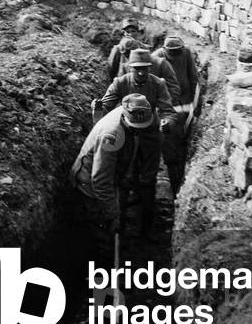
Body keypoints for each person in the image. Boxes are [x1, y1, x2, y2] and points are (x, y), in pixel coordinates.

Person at [101, 50, 176, 238]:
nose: (141, 73)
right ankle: (121, 225)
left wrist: (167, 123)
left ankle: (147, 228)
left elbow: (168, 110)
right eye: (137, 69)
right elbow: (106, 106)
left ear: (150, 68)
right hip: (125, 134)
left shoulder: (158, 84)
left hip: (150, 135)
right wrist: (98, 110)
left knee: (148, 180)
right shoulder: (120, 83)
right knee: (124, 178)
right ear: (130, 68)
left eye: (145, 69)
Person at [70, 94, 157, 243]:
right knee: (102, 231)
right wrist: (113, 213)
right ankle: (103, 257)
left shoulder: (132, 114)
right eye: (136, 128)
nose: (139, 130)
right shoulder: (111, 136)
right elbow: (100, 180)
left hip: (106, 175)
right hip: (89, 183)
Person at [152, 35, 202, 196]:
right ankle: (173, 187)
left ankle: (179, 182)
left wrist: (197, 104)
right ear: (165, 50)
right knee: (170, 148)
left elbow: (194, 78)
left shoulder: (186, 53)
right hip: (167, 110)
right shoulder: (156, 58)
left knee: (182, 144)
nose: (175, 55)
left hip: (186, 106)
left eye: (177, 51)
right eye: (171, 52)